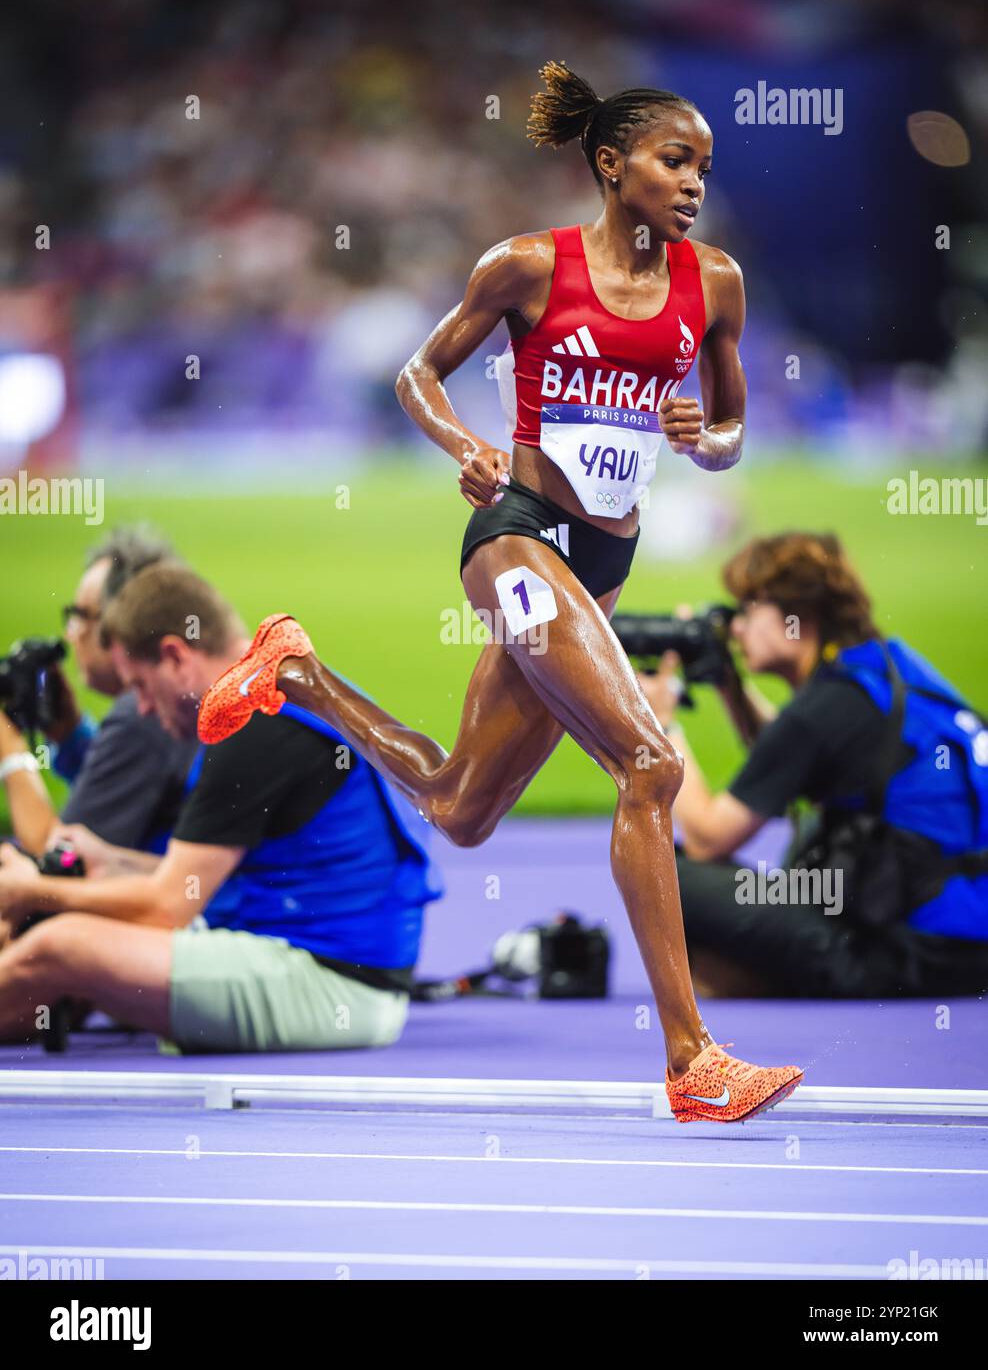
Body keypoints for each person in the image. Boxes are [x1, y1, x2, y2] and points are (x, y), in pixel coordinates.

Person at [193, 61, 803, 1123]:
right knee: (650, 765)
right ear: (611, 166)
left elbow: (729, 434)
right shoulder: (526, 267)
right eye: (673, 159)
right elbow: (414, 375)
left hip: (598, 570)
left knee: (460, 807)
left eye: (704, 164)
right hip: (517, 541)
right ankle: (691, 1058)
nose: (695, 181)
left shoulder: (717, 286)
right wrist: (466, 445)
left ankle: (292, 666)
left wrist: (703, 437)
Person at [0, 565, 442, 1052]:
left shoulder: (253, 723)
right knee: (76, 912)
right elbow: (209, 880)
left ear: (175, 656)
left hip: (332, 989)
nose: (142, 708)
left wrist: (32, 892)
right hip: (349, 976)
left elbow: (167, 906)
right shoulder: (271, 693)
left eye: (141, 687)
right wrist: (109, 861)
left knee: (59, 945)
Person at [637, 531, 988, 998]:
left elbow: (707, 837)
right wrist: (728, 684)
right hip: (963, 936)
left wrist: (659, 723)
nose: (737, 629)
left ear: (796, 616)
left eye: (748, 609)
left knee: (664, 871)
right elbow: (793, 753)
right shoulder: (886, 669)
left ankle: (767, 976)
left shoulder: (826, 708)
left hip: (911, 952)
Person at [0, 526, 196, 858]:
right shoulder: (178, 693)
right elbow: (118, 794)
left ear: (119, 623)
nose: (69, 634)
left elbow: (62, 861)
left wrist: (11, 750)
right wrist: (71, 734)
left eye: (79, 617)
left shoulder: (142, 715)